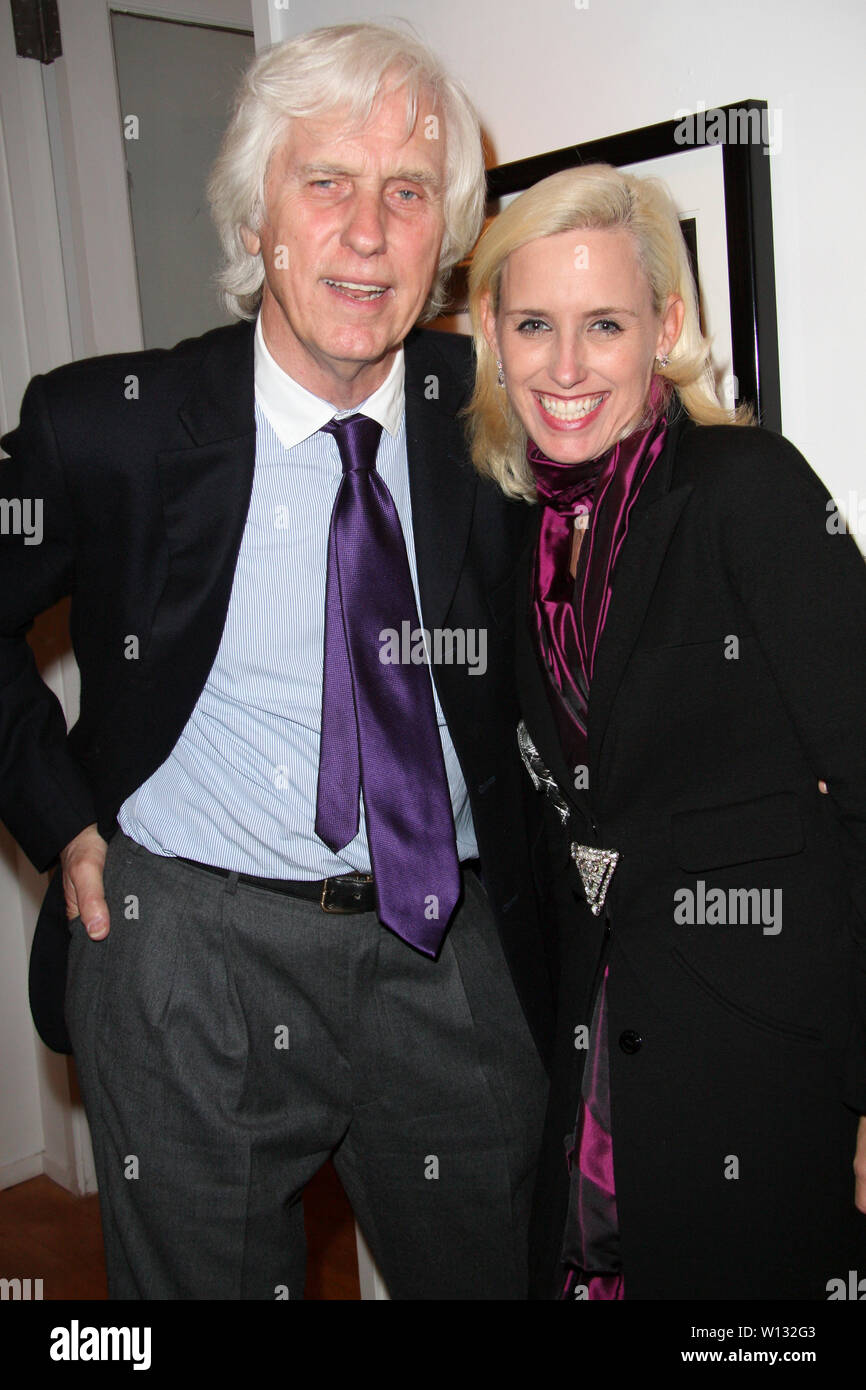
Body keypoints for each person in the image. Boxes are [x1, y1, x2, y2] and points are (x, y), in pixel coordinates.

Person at [0, 23, 552, 1300]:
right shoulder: (109, 427)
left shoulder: (493, 413)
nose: (366, 232)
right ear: (258, 222)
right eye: (327, 185)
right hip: (189, 952)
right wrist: (60, 817)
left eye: (407, 194)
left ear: (443, 240)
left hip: (450, 947)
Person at [466, 161, 866, 1300]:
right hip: (593, 1037)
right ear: (493, 333)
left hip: (757, 1049)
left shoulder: (748, 487)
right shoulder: (514, 525)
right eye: (533, 323)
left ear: (667, 327)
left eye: (604, 324)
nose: (565, 366)